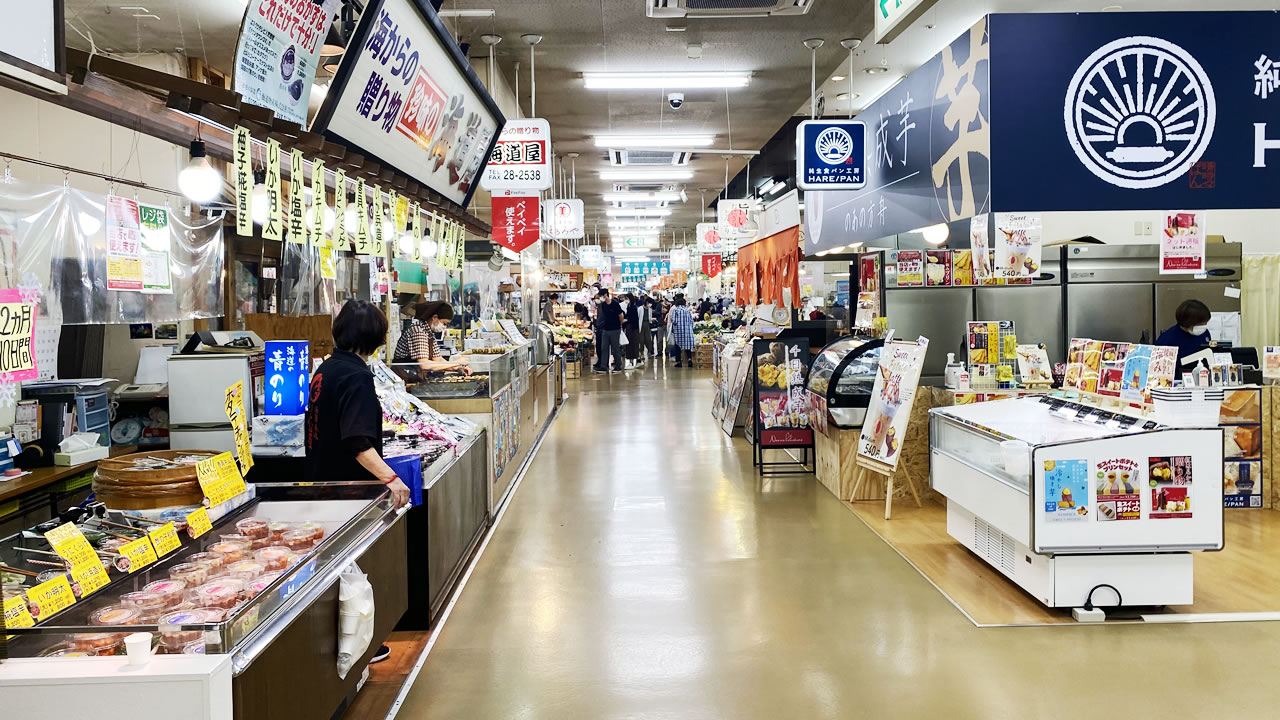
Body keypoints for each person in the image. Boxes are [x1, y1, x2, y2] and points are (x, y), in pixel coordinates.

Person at [393, 300, 470, 373]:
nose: (445, 327)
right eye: (444, 323)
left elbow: (438, 359)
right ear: (435, 318)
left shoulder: (429, 333)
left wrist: (457, 368)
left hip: (415, 373)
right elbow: (424, 365)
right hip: (405, 373)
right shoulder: (419, 330)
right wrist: (456, 363)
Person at [1155, 299, 1213, 364]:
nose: (1204, 326)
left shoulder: (1204, 333)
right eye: (1200, 323)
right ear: (1188, 322)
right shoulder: (1167, 340)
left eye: (1205, 322)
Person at [593, 288, 625, 373]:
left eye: (601, 296)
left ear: (605, 295)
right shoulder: (602, 305)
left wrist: (620, 325)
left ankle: (618, 366)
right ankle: (604, 366)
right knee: (604, 348)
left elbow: (621, 315)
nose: (600, 298)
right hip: (605, 330)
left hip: (615, 329)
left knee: (615, 348)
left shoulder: (615, 304)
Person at [669, 295, 696, 367]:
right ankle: (690, 360)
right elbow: (691, 321)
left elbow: (674, 321)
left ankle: (679, 362)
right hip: (687, 331)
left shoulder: (676, 310)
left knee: (678, 347)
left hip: (678, 332)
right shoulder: (687, 310)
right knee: (687, 346)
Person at [623, 293, 641, 368]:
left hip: (633, 328)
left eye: (626, 298)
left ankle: (636, 360)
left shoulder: (633, 307)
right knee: (629, 344)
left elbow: (634, 318)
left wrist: (626, 320)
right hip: (629, 327)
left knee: (633, 343)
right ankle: (631, 360)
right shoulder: (629, 306)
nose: (625, 300)